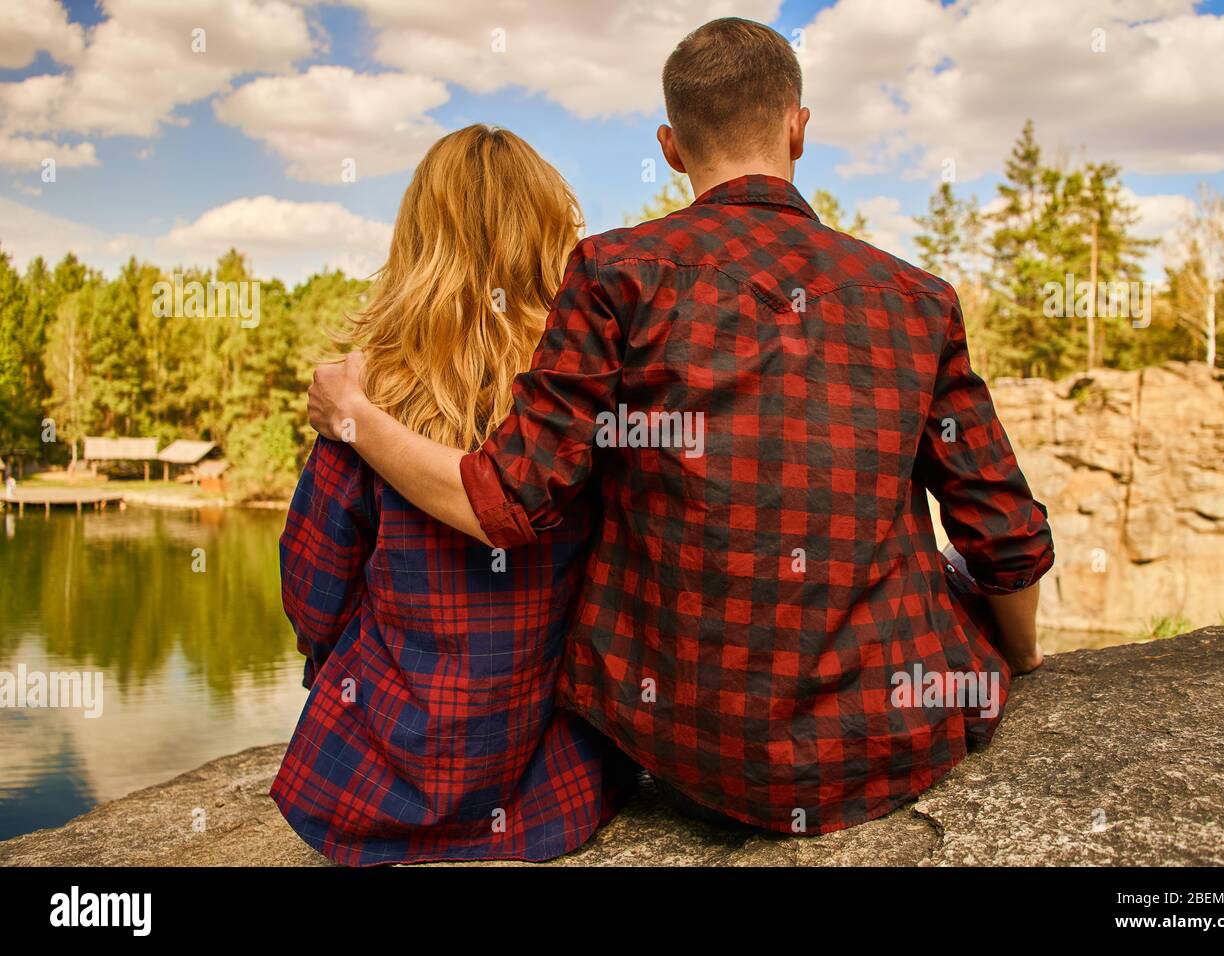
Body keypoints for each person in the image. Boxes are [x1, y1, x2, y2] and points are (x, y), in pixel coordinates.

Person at [308, 18, 1054, 835]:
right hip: (884, 741)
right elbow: (1005, 538)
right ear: (799, 127)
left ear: (670, 146)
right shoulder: (916, 297)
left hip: (687, 746)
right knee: (946, 573)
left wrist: (354, 417)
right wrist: (1020, 661)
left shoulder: (614, 274)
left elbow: (507, 501)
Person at [272, 125, 635, 866]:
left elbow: (312, 598)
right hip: (549, 783)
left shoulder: (367, 397)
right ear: (547, 236)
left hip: (374, 785)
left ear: (417, 241)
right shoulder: (585, 395)